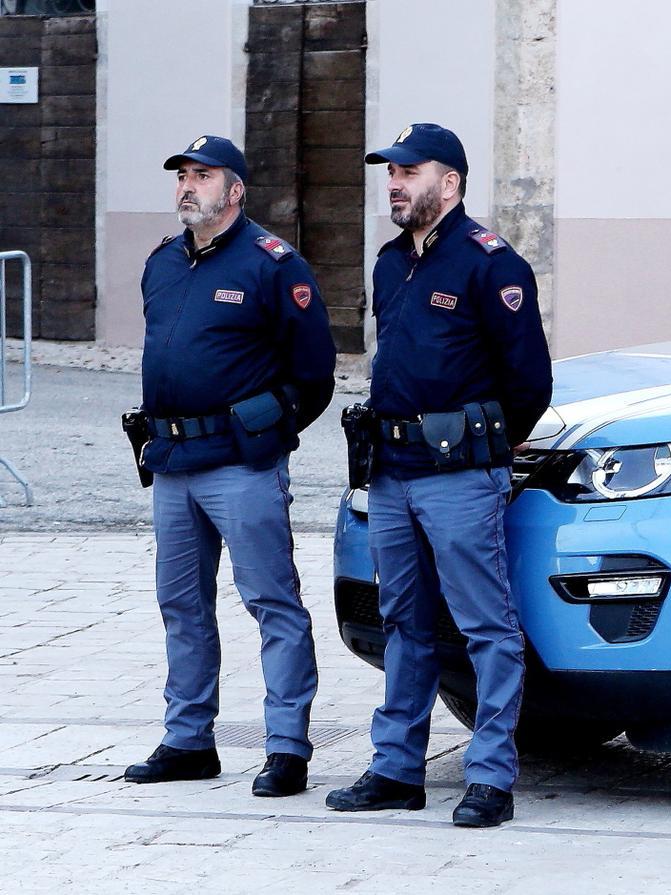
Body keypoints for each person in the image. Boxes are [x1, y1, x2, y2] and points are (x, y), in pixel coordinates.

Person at [326, 123, 552, 827]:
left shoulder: (492, 264)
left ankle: (489, 776)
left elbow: (529, 383)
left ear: (448, 182)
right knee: (403, 622)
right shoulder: (391, 263)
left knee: (486, 625)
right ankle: (396, 768)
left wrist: (480, 450)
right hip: (391, 471)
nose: (393, 183)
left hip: (459, 474)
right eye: (389, 172)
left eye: (408, 171)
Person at [122, 135, 336, 798]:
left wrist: (264, 434)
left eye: (203, 175)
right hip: (173, 460)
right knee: (180, 603)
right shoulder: (161, 262)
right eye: (182, 176)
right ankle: (189, 738)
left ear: (235, 189)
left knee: (271, 599)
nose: (189, 186)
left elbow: (315, 375)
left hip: (240, 465)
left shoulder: (274, 264)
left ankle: (286, 746)